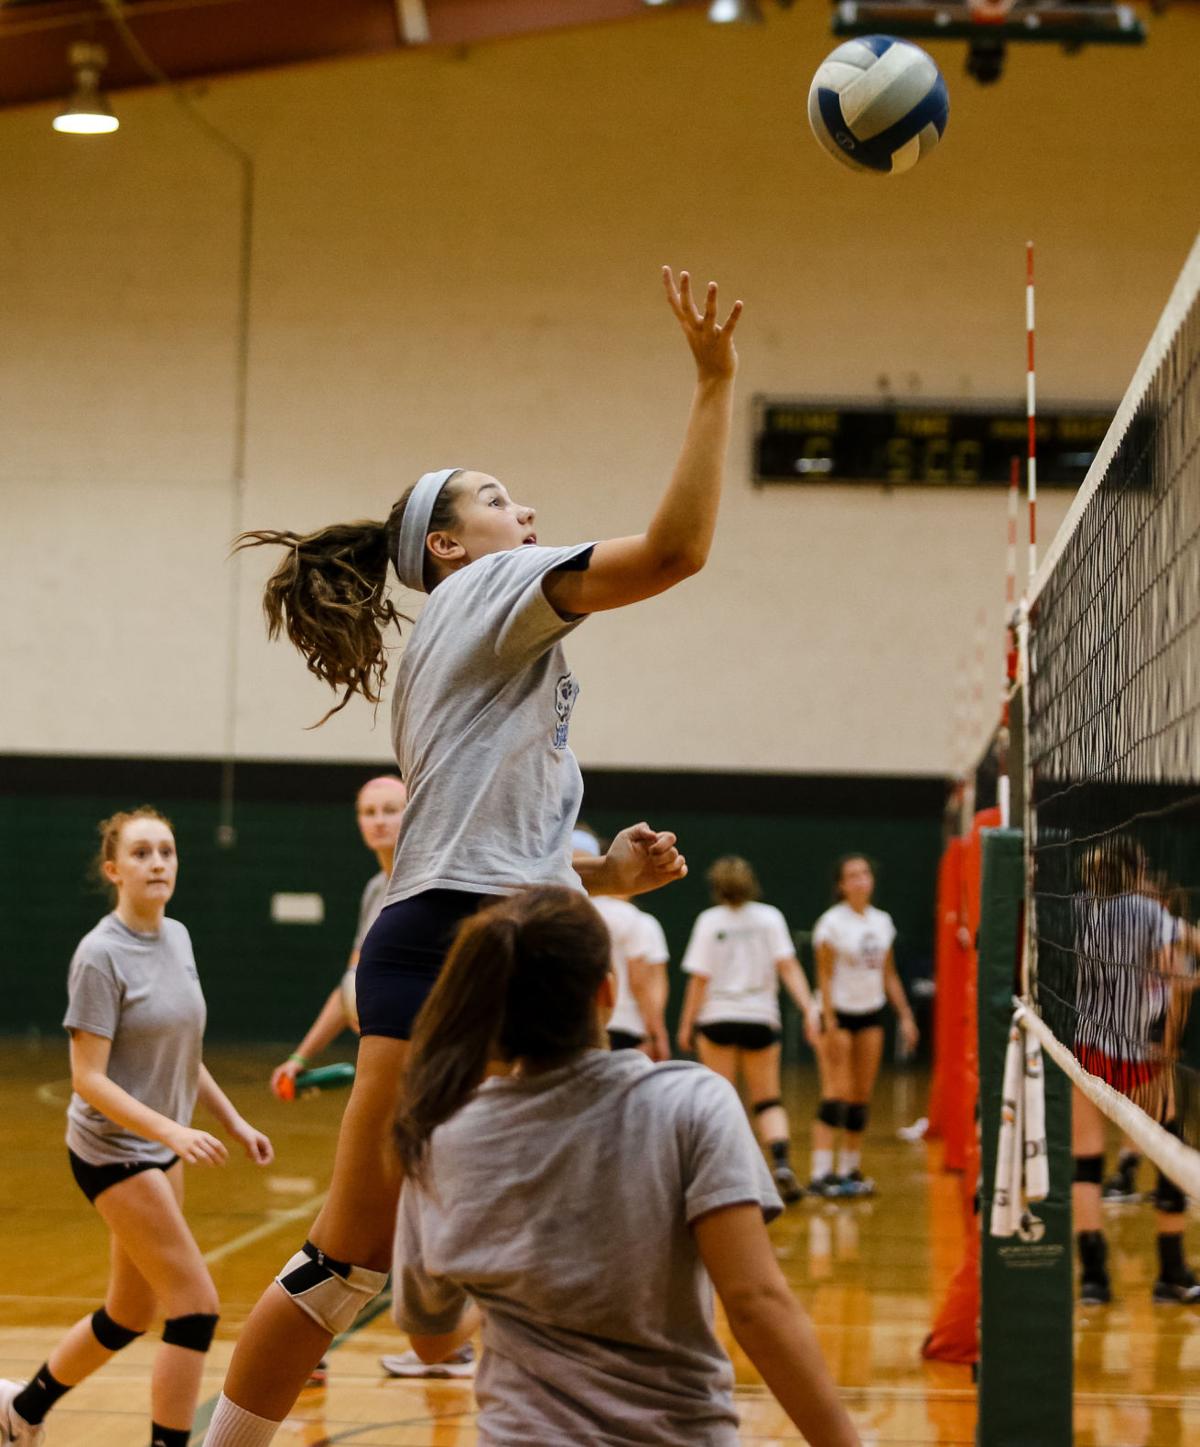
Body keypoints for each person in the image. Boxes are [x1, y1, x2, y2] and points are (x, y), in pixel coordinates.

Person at [203, 267, 742, 1446]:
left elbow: (488, 835)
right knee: (589, 1218)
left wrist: (601, 875)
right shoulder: (495, 590)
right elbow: (678, 551)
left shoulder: (462, 644)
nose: (527, 511)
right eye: (501, 499)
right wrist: (714, 389)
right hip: (479, 942)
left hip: (464, 925)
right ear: (450, 546)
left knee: (348, 1262)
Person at [391, 885, 862, 1447]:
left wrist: (507, 1293)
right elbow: (755, 1304)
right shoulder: (691, 1102)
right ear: (607, 994)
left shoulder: (439, 1136)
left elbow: (430, 1340)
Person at [0, 808, 273, 1447]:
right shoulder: (99, 956)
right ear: (113, 869)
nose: (157, 863)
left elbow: (179, 1049)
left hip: (159, 1147)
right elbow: (89, 1079)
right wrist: (172, 1134)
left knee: (130, 1311)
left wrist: (231, 1120)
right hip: (113, 1151)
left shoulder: (177, 936)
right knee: (196, 1307)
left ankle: (22, 1412)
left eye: (167, 852)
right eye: (143, 853)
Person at [1070, 840, 1199, 1305]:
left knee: (1085, 1165)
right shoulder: (1146, 911)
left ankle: (1094, 1279)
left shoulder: (1082, 908)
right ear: (1138, 868)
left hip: (1088, 1051)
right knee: (1169, 1155)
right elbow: (1179, 974)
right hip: (1139, 1056)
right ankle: (1171, 1273)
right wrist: (1168, 1044)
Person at [676, 857, 818, 1205]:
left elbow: (699, 979)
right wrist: (810, 1008)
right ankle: (781, 1164)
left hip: (718, 1017)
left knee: (722, 1101)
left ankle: (725, 1175)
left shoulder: (709, 921)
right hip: (760, 1017)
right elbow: (788, 967)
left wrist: (686, 1025)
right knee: (768, 1100)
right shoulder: (770, 918)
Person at [269, 775, 408, 1098]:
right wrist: (300, 1056)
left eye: (390, 810)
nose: (378, 821)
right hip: (380, 1048)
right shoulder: (374, 890)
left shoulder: (428, 885)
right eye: (368, 812)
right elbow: (350, 986)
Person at [809, 855, 917, 1199]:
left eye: (864, 873)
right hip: (838, 1014)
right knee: (835, 1094)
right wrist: (829, 1022)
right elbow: (823, 976)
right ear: (841, 885)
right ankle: (820, 1173)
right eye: (852, 875)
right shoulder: (830, 924)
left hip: (870, 1013)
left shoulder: (881, 922)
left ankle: (849, 1169)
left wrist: (905, 1015)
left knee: (860, 1097)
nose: (860, 880)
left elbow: (888, 974)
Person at [574, 827, 671, 1060]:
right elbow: (641, 981)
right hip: (625, 1027)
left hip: (575, 1027)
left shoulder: (563, 913)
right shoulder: (635, 919)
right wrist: (657, 1034)